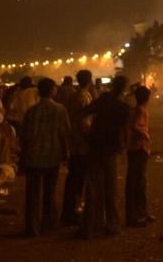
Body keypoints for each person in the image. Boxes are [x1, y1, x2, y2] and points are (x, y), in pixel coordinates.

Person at [79, 75, 131, 239]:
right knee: (110, 189)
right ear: (124, 88)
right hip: (111, 149)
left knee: (93, 187)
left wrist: (86, 133)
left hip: (94, 147)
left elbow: (83, 112)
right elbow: (126, 130)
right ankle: (112, 225)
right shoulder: (123, 107)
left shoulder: (103, 100)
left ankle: (89, 226)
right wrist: (125, 148)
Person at [20, 78, 71, 237]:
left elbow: (24, 137)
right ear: (52, 90)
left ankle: (32, 227)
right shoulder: (60, 109)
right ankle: (48, 224)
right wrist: (66, 153)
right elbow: (65, 133)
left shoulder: (31, 111)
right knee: (50, 192)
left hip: (33, 156)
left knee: (32, 195)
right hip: (52, 156)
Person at [60, 69, 94, 225]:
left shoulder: (75, 95)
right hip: (81, 144)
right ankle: (71, 213)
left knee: (75, 179)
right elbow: (84, 122)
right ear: (89, 80)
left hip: (75, 143)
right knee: (77, 180)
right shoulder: (83, 97)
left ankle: (70, 211)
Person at [126, 85, 153, 227]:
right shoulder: (141, 111)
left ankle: (142, 212)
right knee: (138, 182)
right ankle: (137, 214)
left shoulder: (136, 109)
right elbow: (135, 126)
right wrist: (146, 135)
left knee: (139, 182)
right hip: (139, 148)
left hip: (135, 148)